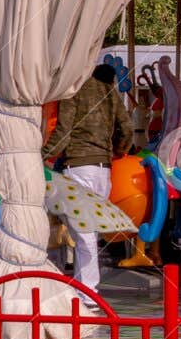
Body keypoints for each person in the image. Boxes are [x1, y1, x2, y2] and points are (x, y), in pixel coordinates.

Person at [42, 63, 130, 292]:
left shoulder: (73, 90)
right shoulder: (110, 92)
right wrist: (118, 150)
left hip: (79, 167)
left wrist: (41, 155)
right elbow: (127, 128)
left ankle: (88, 291)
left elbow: (63, 133)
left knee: (83, 235)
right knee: (88, 233)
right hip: (104, 171)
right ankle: (84, 288)